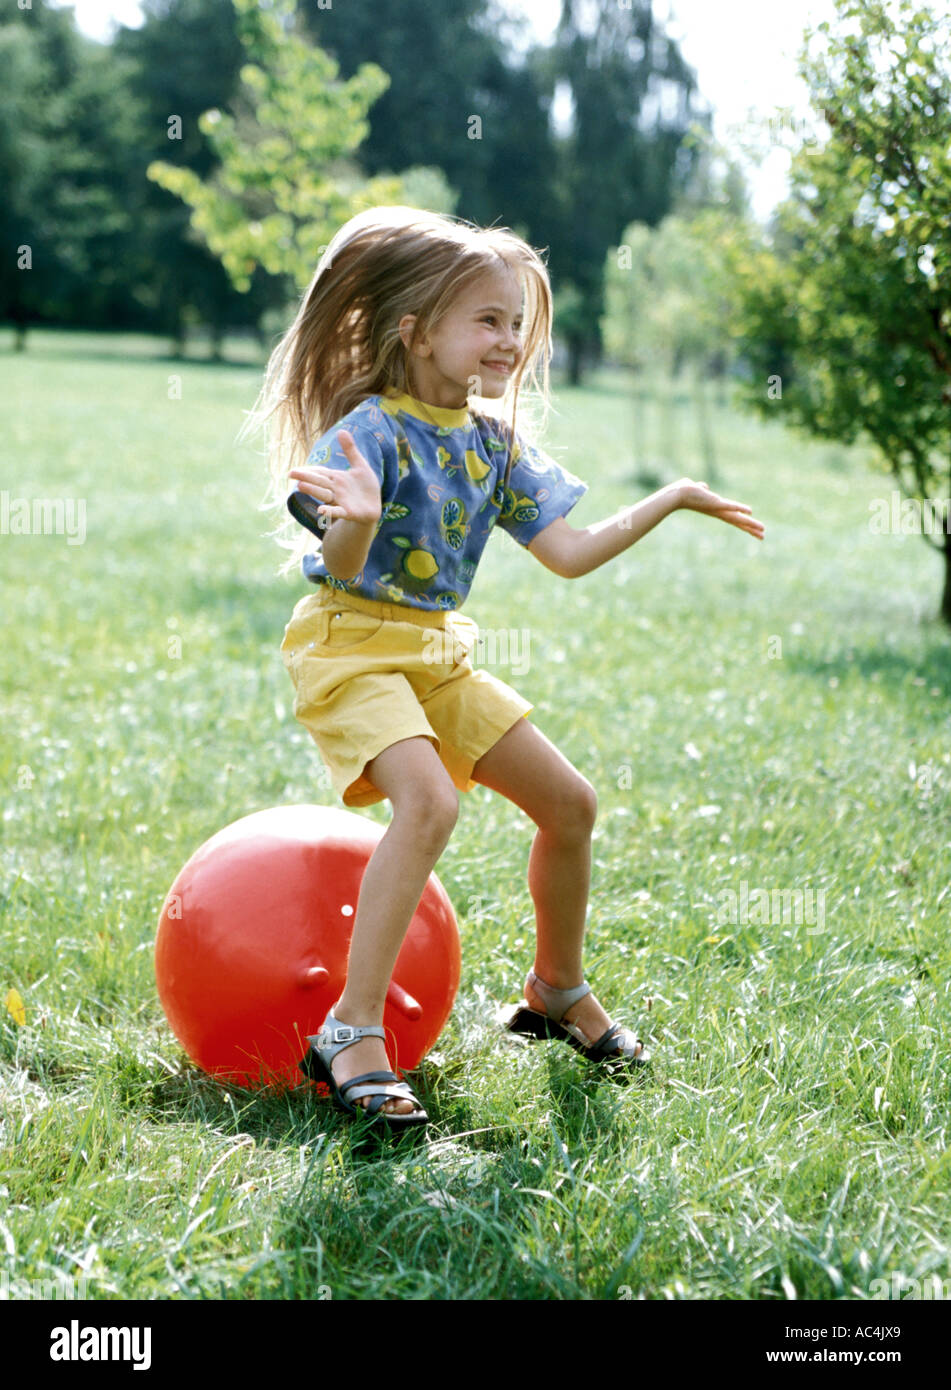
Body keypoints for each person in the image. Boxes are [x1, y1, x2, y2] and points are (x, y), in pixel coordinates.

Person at [243, 206, 765, 1129]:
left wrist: (672, 497)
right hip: (349, 644)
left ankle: (554, 994)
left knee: (570, 805)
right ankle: (349, 1030)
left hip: (435, 655)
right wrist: (357, 515)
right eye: (487, 319)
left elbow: (565, 552)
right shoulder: (364, 435)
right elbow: (347, 563)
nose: (508, 340)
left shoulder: (491, 442)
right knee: (429, 802)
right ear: (417, 331)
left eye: (516, 322)